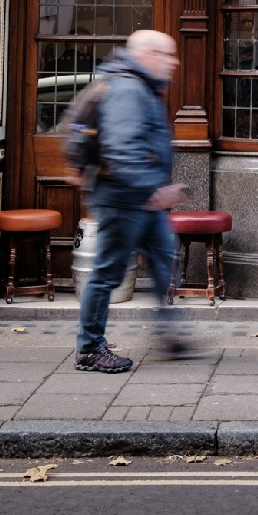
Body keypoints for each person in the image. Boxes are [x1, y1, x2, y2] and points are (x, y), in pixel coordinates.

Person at [76, 29, 190, 374]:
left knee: (163, 260)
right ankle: (90, 349)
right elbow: (121, 150)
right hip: (123, 199)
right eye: (168, 55)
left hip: (143, 201)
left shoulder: (142, 87)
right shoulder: (127, 89)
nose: (174, 62)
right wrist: (154, 188)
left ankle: (168, 332)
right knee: (107, 274)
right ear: (148, 55)